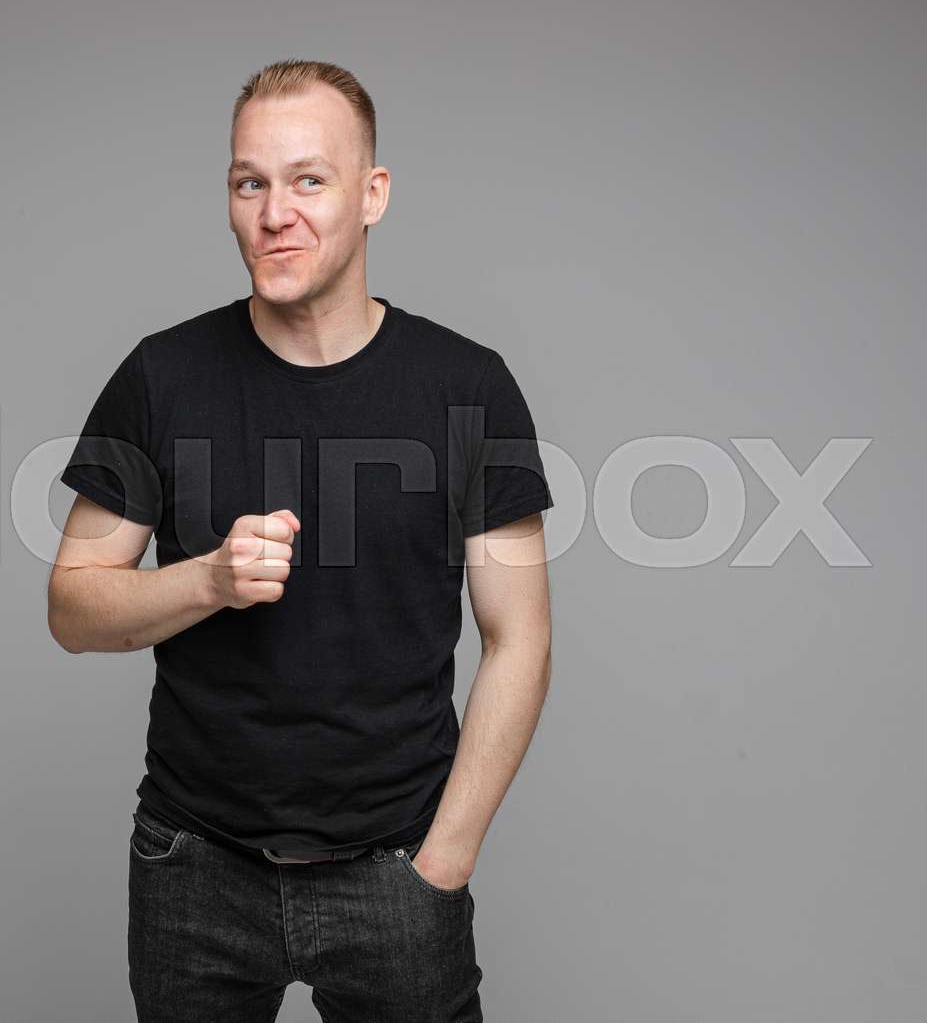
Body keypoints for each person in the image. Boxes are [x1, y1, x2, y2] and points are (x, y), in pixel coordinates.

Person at [47, 58, 554, 1022]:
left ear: (373, 195)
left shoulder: (469, 387)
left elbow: (520, 636)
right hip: (193, 865)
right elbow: (73, 606)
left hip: (396, 865)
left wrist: (444, 859)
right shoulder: (163, 376)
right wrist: (206, 580)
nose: (275, 211)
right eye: (251, 183)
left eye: (308, 179)